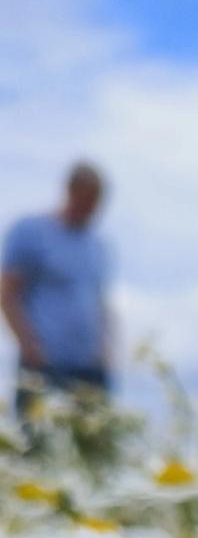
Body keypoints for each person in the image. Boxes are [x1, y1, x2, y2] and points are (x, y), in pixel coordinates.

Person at [2, 163, 114, 422]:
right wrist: (29, 346)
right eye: (85, 199)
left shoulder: (98, 246)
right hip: (43, 366)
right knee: (36, 447)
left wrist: (105, 350)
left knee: (92, 455)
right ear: (71, 192)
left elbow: (99, 303)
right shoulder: (30, 231)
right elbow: (8, 294)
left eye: (95, 203)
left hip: (90, 369)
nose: (89, 209)